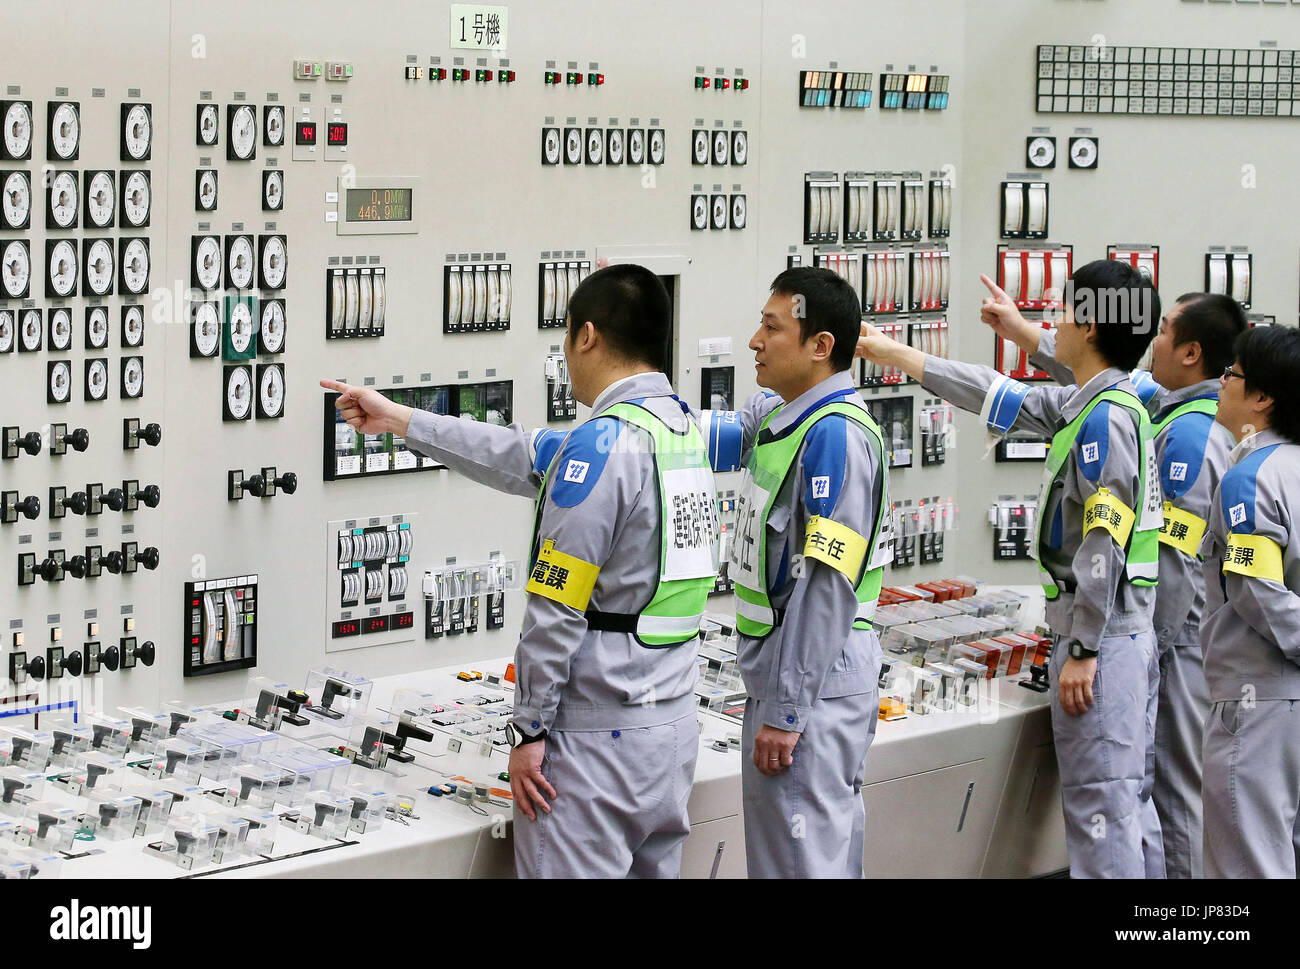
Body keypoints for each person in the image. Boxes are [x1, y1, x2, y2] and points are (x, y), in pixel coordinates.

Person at [321, 264, 719, 878]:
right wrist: (398, 419)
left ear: (586, 336)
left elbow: (556, 607)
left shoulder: (604, 444)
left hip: (596, 743)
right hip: (669, 729)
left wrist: (528, 730)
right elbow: (518, 452)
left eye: (564, 337)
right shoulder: (681, 432)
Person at [858, 260, 1164, 878]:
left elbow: (1103, 541)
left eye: (1066, 309)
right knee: (1128, 809)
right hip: (1122, 637)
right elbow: (991, 392)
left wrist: (1080, 647)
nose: (1055, 320)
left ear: (1090, 324)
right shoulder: (1105, 404)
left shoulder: (1103, 419)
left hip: (1104, 642)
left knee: (1101, 815)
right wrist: (897, 352)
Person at [984, 287, 1245, 878]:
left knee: (1159, 795)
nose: (1153, 340)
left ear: (1190, 353)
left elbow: (1157, 559)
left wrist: (1101, 644)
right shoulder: (1158, 405)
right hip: (1144, 638)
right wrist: (1021, 330)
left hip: (1164, 641)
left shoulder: (1188, 433)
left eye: (1166, 331)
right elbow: (1088, 371)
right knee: (1134, 801)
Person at [697, 266, 893, 877]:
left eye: (771, 326)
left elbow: (827, 587)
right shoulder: (792, 424)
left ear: (821, 346)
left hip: (811, 681)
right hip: (796, 674)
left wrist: (787, 712)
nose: (755, 340)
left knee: (803, 863)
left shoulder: (833, 436)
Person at [1199, 324, 1300, 878]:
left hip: (1261, 702)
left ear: (1262, 397)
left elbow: (1258, 594)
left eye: (1231, 374)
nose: (1221, 382)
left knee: (1247, 866)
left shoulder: (1250, 478)